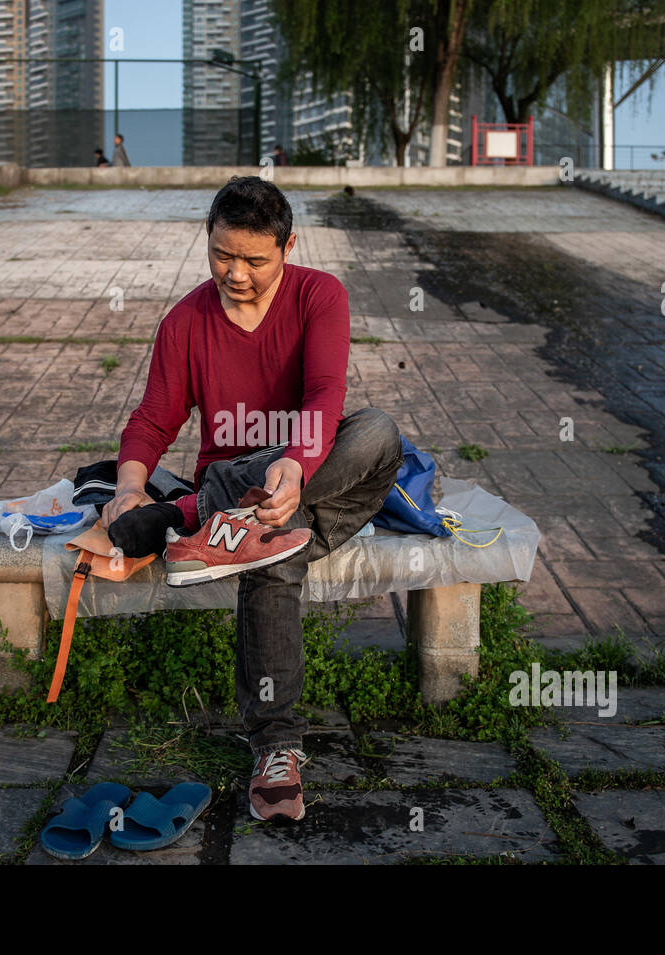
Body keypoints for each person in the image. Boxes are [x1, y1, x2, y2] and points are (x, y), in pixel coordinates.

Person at [101, 176, 402, 823]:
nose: (235, 273)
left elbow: (325, 392)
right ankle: (276, 746)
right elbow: (154, 419)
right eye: (221, 255)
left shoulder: (321, 295)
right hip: (253, 493)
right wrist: (129, 487)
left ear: (288, 246)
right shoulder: (185, 322)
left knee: (377, 430)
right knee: (273, 541)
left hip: (311, 477)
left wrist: (294, 461)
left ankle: (201, 518)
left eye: (254, 260)